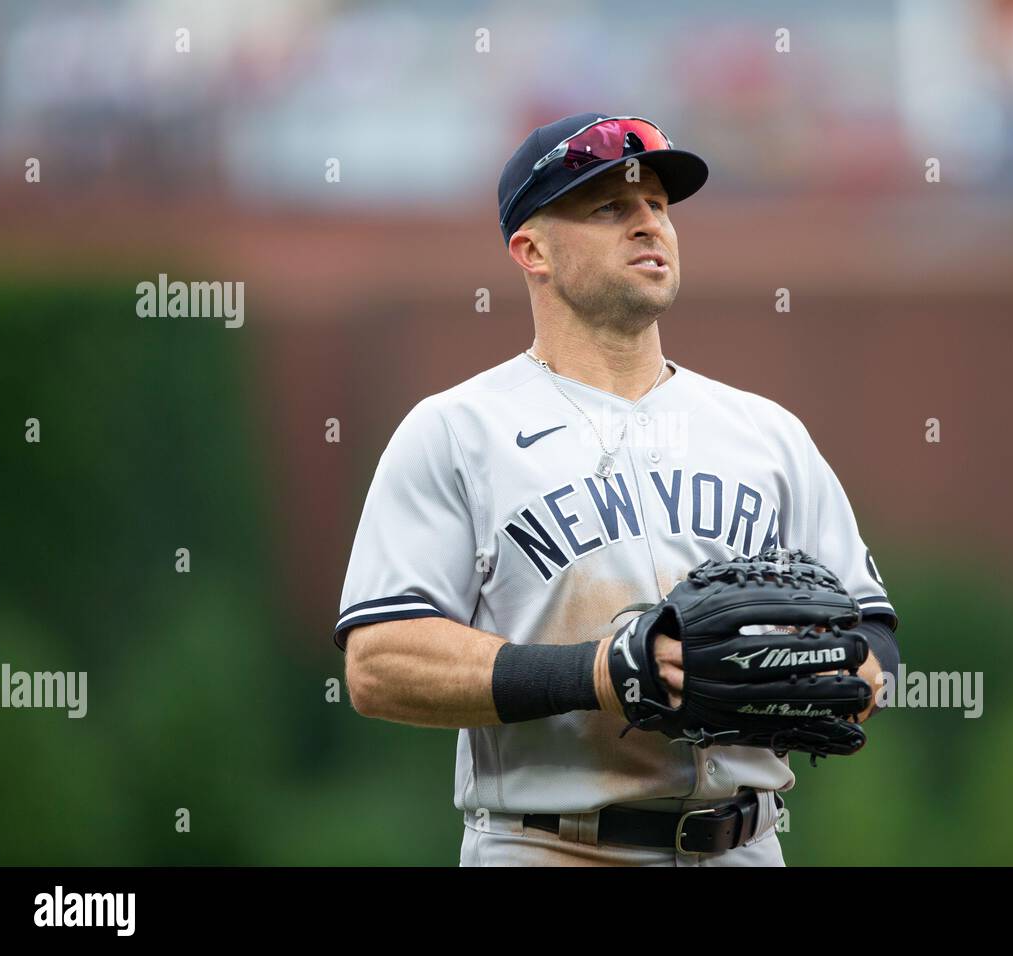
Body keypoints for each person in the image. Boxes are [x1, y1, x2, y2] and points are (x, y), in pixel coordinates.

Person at [335, 113, 900, 866]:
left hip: (748, 844)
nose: (648, 224)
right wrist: (601, 672)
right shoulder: (456, 431)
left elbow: (872, 630)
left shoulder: (767, 433)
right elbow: (379, 663)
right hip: (548, 846)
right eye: (609, 207)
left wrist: (851, 675)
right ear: (531, 249)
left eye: (659, 206)